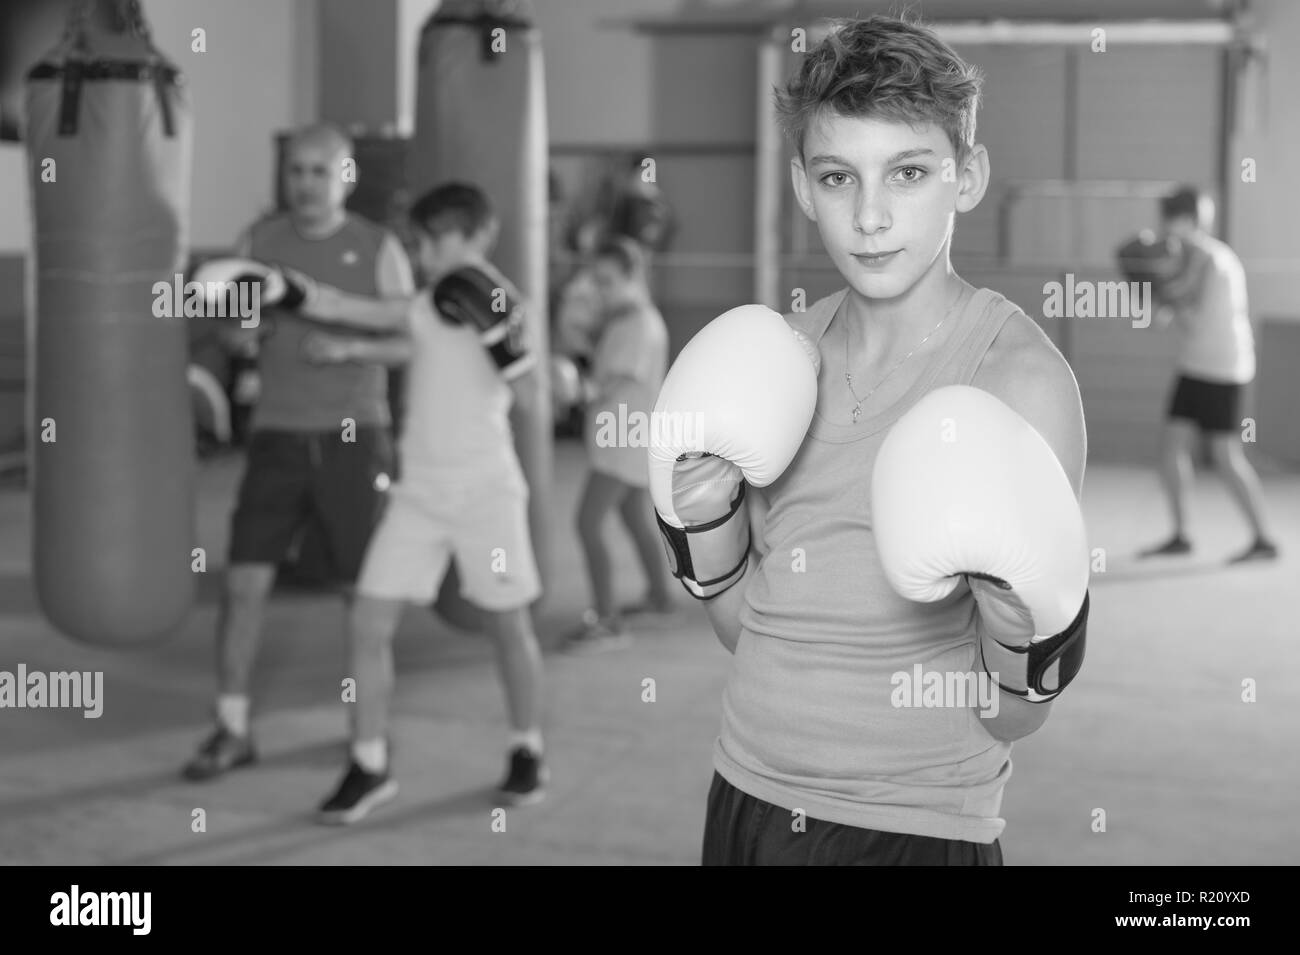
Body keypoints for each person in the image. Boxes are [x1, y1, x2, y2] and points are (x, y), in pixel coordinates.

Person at [649, 15, 1091, 865]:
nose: (872, 216)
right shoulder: (775, 362)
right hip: (744, 796)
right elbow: (751, 632)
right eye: (839, 176)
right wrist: (709, 536)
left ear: (968, 178)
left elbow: (1018, 712)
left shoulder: (1019, 381)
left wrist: (1012, 623)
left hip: (915, 829)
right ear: (803, 187)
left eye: (910, 172)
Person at [299, 182, 549, 823]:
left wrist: (506, 343)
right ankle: (369, 763)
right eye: (420, 241)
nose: (424, 252)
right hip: (418, 497)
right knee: (368, 623)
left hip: (485, 496)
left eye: (433, 241)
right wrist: (302, 299)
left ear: (474, 237)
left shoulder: (500, 302)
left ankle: (526, 750)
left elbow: (531, 401)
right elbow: (383, 322)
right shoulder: (434, 301)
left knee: (507, 625)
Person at [182, 124, 410, 781]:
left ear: (346, 177)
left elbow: (407, 335)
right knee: (245, 585)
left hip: (353, 437)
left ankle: (370, 739)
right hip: (276, 434)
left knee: (359, 597)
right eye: (296, 170)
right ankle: (231, 725)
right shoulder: (261, 242)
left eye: (319, 170)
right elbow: (233, 329)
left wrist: (347, 348)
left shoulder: (377, 246)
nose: (305, 183)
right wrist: (240, 336)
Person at [1134, 186, 1278, 563]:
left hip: (1223, 369)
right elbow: (1156, 321)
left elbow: (1192, 315)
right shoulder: (1184, 259)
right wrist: (1143, 287)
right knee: (1171, 448)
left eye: (1169, 218)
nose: (1164, 226)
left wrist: (1157, 290)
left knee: (1225, 456)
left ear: (1186, 219)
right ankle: (1181, 534)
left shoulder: (1211, 259)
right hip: (1195, 364)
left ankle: (1264, 539)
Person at [567, 238, 674, 652]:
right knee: (632, 516)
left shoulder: (639, 325)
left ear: (633, 278)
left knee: (587, 523)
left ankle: (606, 621)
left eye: (608, 281)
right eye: (596, 281)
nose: (600, 290)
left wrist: (577, 389)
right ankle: (660, 600)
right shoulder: (628, 319)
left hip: (623, 438)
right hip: (628, 434)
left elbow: (614, 380)